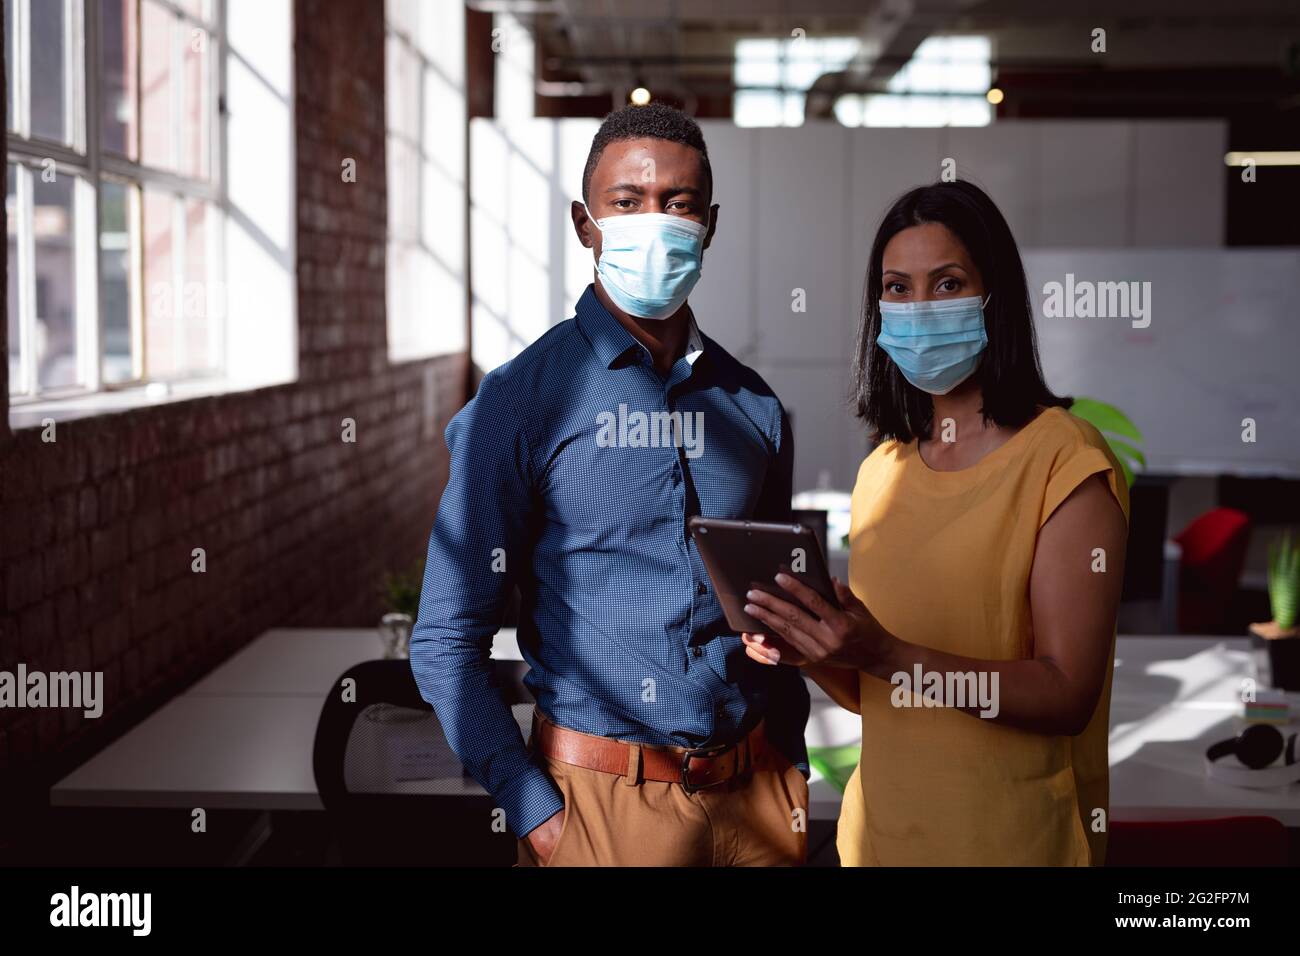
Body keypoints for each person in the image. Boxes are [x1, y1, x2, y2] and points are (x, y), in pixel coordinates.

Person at [411, 103, 810, 867]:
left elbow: (780, 606)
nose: (654, 222)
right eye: (628, 203)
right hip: (599, 808)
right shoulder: (519, 402)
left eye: (679, 204)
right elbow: (443, 641)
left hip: (756, 799)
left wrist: (789, 763)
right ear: (585, 223)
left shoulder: (752, 406)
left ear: (710, 224)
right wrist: (540, 818)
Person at [741, 180, 1130, 866]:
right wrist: (813, 649)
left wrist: (885, 652)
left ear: (994, 296)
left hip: (1012, 846)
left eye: (947, 283)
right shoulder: (882, 470)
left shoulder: (1065, 460)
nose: (919, 308)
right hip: (879, 842)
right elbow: (881, 693)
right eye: (897, 287)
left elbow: (1067, 693)